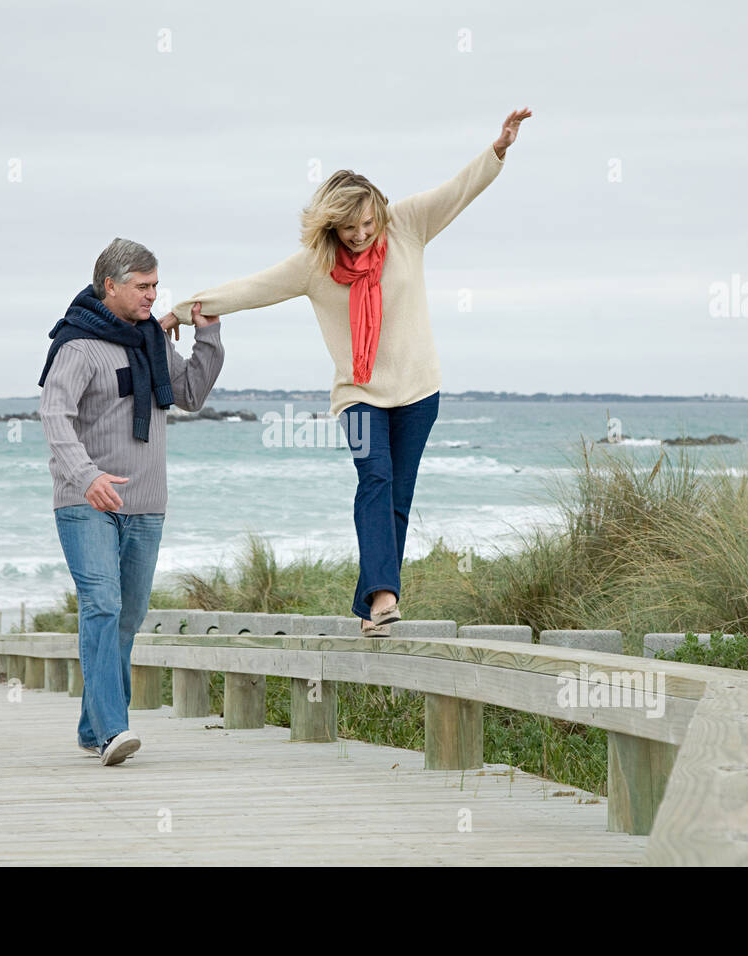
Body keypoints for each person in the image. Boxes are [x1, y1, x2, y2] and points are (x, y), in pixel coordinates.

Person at [160, 109, 532, 636]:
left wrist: (497, 149)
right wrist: (183, 309)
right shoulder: (315, 264)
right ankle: (383, 598)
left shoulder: (407, 225)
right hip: (357, 395)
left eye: (367, 224)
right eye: (349, 228)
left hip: (419, 391)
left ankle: (373, 605)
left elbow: (457, 190)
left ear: (379, 212)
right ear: (331, 225)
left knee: (398, 496)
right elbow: (254, 286)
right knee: (374, 480)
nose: (360, 236)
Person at [40, 237, 223, 765]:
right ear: (111, 286)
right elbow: (55, 416)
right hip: (86, 502)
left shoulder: (151, 340)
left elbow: (188, 393)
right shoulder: (77, 347)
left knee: (128, 617)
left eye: (156, 286)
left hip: (146, 504)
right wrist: (86, 475)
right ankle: (112, 730)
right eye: (143, 287)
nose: (152, 296)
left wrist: (208, 337)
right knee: (103, 606)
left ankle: (90, 724)